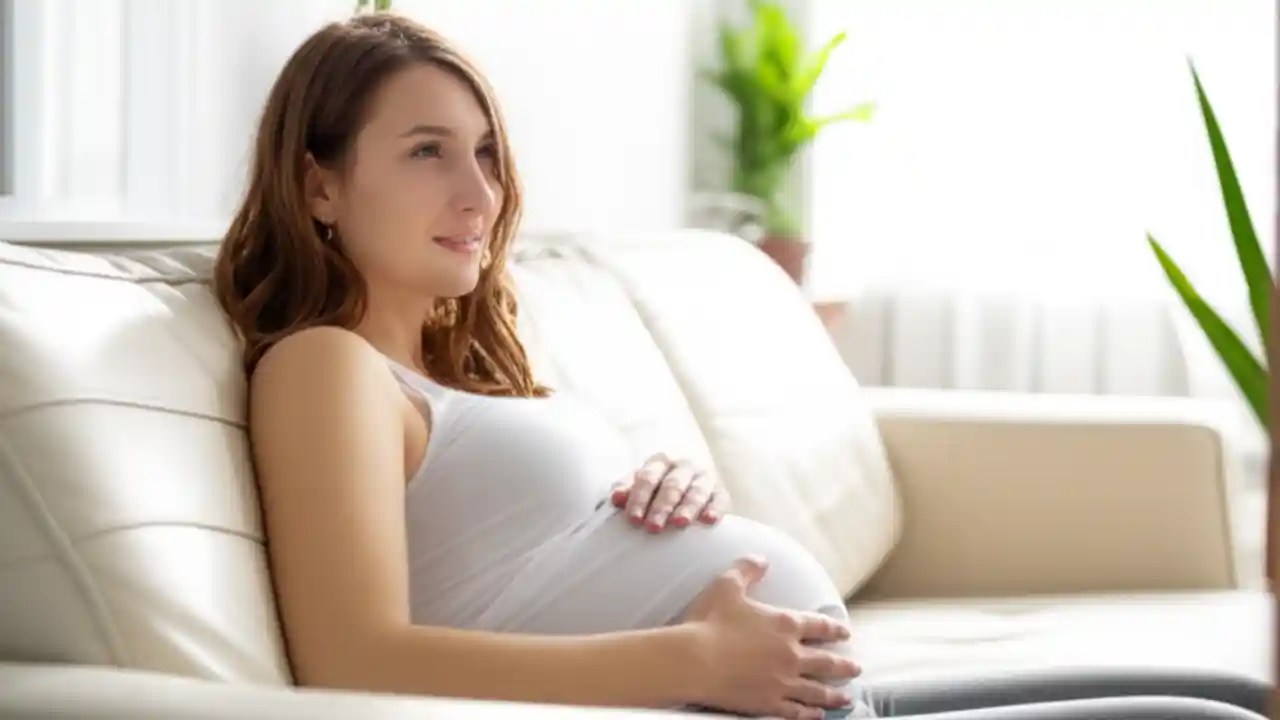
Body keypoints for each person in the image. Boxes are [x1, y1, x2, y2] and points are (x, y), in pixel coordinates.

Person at [212, 12, 1271, 720]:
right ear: (317, 187)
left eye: (486, 152)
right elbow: (350, 664)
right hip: (725, 694)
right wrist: (692, 660)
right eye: (426, 151)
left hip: (805, 689)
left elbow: (536, 560)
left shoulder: (457, 371)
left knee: (1220, 694)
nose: (480, 194)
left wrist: (657, 488)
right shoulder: (325, 368)